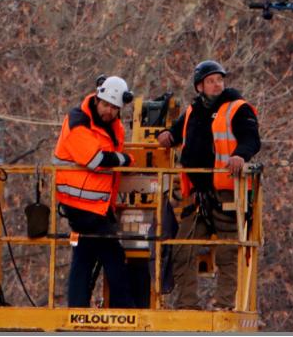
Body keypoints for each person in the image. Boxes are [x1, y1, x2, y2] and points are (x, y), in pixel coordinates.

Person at [155, 59, 260, 310]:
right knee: (183, 249)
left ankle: (224, 305)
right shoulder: (193, 112)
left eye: (219, 80)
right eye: (211, 81)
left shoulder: (238, 108)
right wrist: (167, 136)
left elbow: (251, 139)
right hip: (198, 196)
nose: (217, 85)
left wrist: (240, 155)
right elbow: (176, 133)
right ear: (199, 86)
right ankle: (187, 304)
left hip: (227, 194)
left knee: (227, 252)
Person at [54, 75, 137, 309]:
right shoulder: (78, 121)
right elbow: (95, 159)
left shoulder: (114, 126)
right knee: (112, 255)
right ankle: (125, 308)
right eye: (106, 105)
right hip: (79, 203)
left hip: (97, 204)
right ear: (97, 99)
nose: (109, 111)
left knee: (84, 255)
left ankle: (77, 307)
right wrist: (127, 159)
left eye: (114, 108)